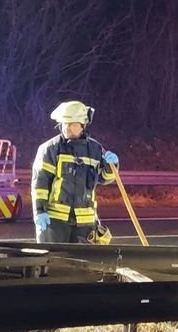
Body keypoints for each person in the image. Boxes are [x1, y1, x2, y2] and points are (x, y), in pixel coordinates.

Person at [32, 99, 120, 243]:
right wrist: (40, 210)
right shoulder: (50, 149)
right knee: (53, 256)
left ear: (83, 125)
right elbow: (40, 184)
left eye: (72, 124)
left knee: (82, 257)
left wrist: (112, 166)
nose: (67, 128)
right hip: (56, 221)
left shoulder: (95, 149)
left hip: (84, 222)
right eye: (64, 124)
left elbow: (105, 178)